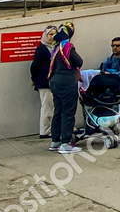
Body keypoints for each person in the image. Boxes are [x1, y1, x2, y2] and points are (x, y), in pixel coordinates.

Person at [44, 24, 83, 154]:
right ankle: (65, 143)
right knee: (68, 112)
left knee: (58, 111)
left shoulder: (55, 48)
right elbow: (79, 61)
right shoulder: (67, 47)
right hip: (67, 82)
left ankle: (55, 141)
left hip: (55, 81)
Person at [28, 24, 57, 138]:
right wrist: (35, 79)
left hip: (52, 81)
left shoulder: (54, 47)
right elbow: (34, 66)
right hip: (45, 83)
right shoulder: (42, 48)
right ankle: (45, 131)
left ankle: (50, 129)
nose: (52, 37)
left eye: (54, 34)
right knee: (47, 108)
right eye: (50, 34)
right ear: (45, 35)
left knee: (52, 107)